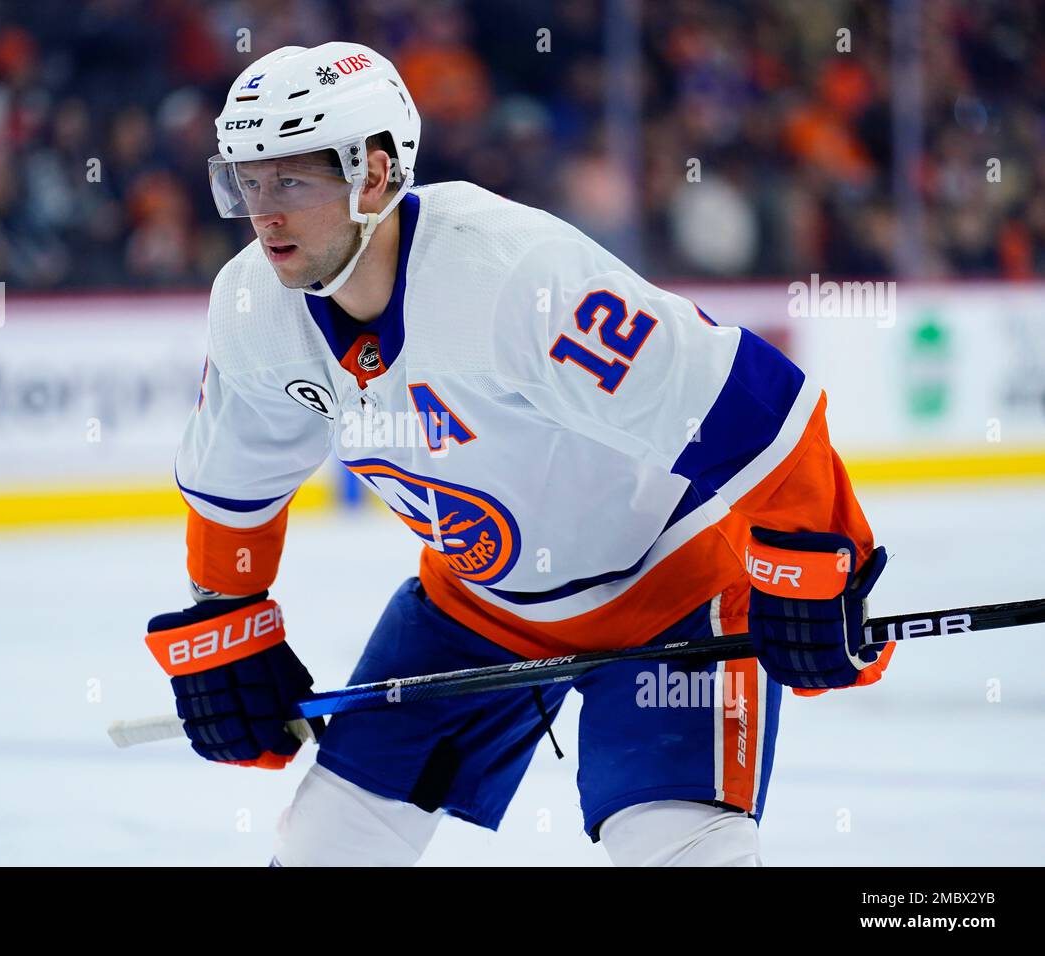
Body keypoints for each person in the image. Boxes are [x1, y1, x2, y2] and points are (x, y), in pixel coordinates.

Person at [143, 41, 894, 866]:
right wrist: (226, 624)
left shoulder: (515, 277)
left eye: (291, 182)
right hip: (474, 609)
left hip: (670, 592)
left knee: (678, 848)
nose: (264, 215)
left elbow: (754, 409)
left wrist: (816, 566)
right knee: (325, 849)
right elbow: (232, 486)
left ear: (375, 175)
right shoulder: (253, 306)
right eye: (246, 183)